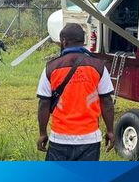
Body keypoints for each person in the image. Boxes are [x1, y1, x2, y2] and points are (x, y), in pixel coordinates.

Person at [36, 23, 115, 161]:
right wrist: (110, 131)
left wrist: (42, 133)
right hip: (90, 139)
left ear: (64, 41)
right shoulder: (98, 66)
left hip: (59, 138)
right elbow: (107, 101)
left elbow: (44, 103)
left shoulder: (51, 67)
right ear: (83, 41)